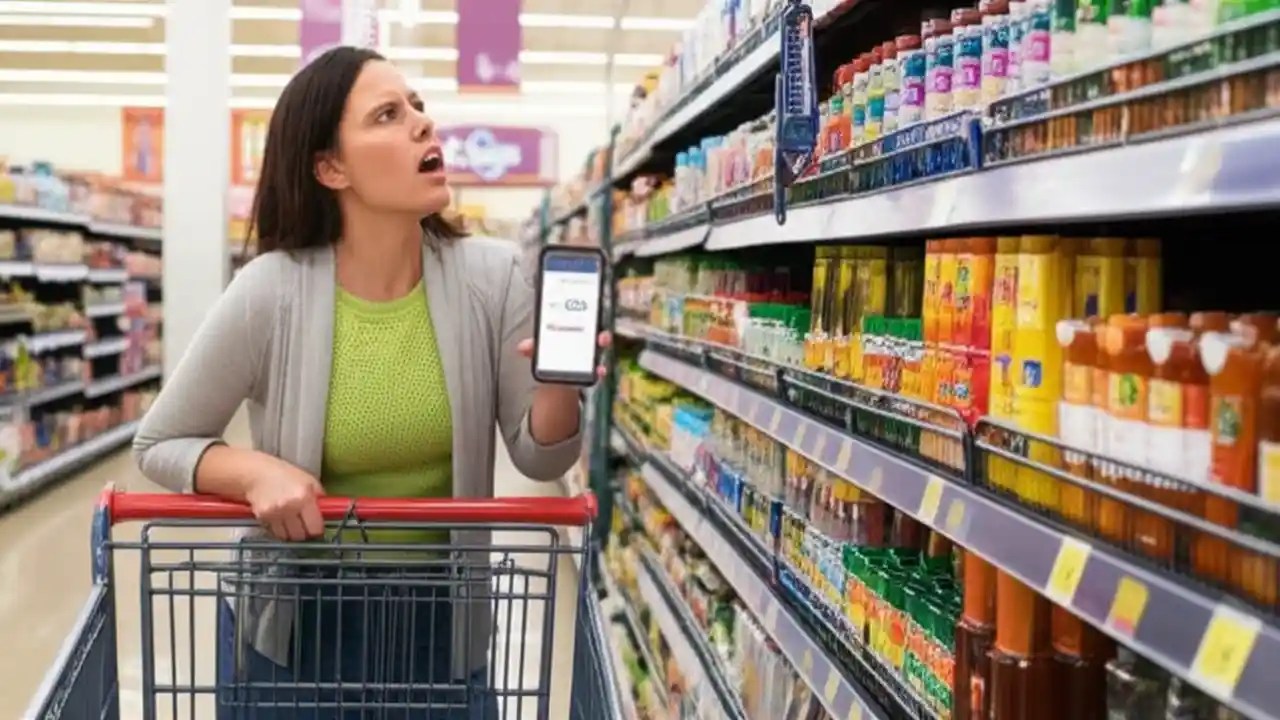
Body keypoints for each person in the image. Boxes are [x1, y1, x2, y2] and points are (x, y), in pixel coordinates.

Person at [132, 46, 607, 719]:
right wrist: (251, 473)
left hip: (442, 620)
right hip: (300, 622)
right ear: (331, 168)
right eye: (387, 114)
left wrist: (559, 385)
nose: (422, 123)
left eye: (417, 106)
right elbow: (160, 440)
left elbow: (540, 458)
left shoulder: (492, 276)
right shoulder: (271, 291)